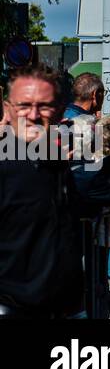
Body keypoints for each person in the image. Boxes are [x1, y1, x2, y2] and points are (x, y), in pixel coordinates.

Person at [0, 62, 86, 317]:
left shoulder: (56, 163)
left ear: (60, 112)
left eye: (44, 106)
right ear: (8, 110)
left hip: (64, 309)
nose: (34, 115)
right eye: (24, 106)